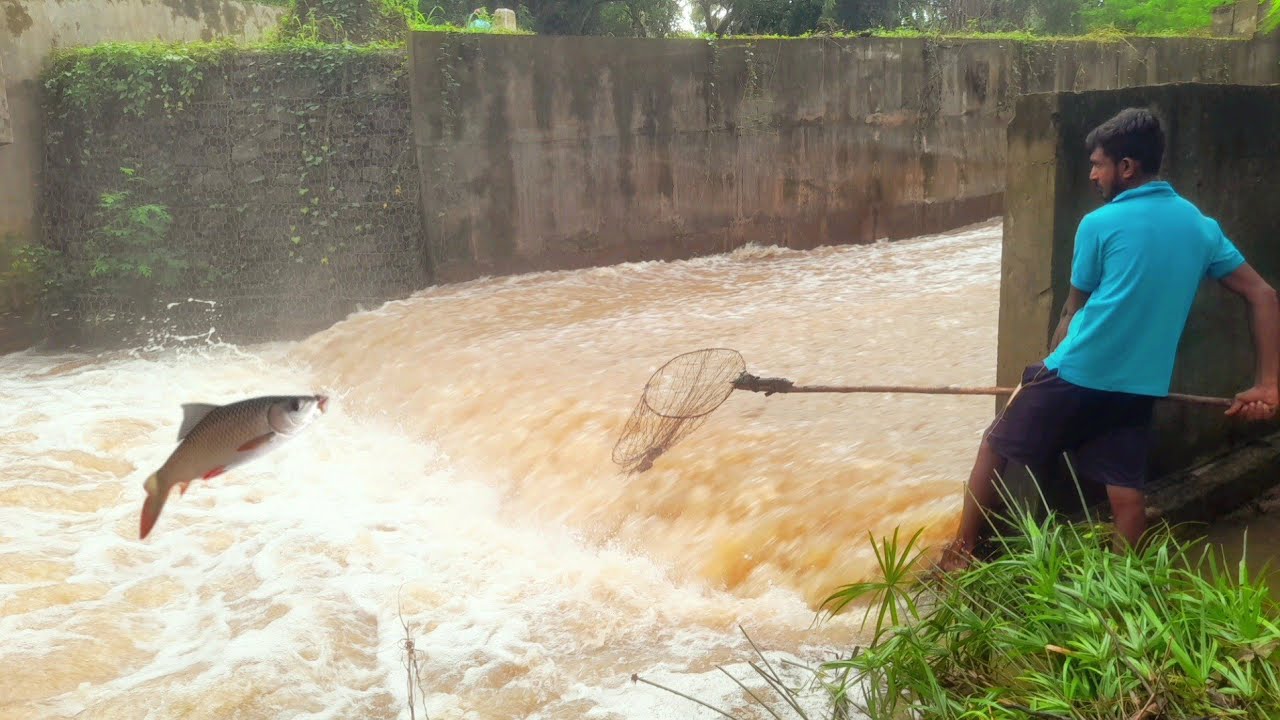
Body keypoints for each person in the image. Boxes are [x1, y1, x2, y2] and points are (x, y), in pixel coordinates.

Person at [938, 106, 1280, 572]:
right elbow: (1263, 295)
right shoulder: (1202, 227)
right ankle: (1125, 588)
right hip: (1138, 387)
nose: (1094, 175)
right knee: (1126, 495)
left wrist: (1049, 365)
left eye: (1099, 164)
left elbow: (1074, 309)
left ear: (1126, 167)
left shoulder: (1098, 225)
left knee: (995, 445)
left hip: (1078, 371)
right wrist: (1268, 384)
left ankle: (958, 556)